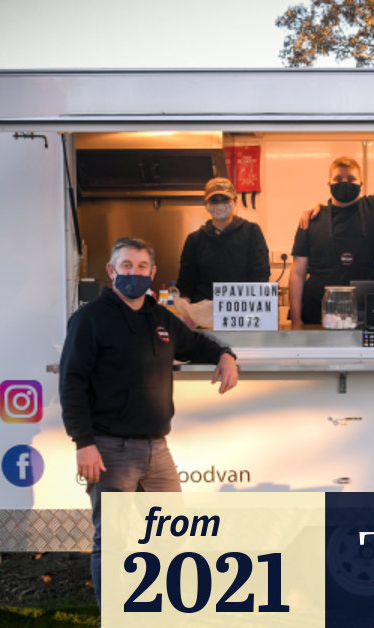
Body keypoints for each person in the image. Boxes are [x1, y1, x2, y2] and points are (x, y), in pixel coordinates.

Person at [59, 236, 239, 604]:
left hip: (157, 450)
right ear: (111, 271)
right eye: (126, 266)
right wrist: (84, 444)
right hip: (109, 449)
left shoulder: (160, 319)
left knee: (172, 536)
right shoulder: (89, 319)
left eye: (142, 267)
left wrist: (226, 354)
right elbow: (71, 384)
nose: (134, 274)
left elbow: (196, 344)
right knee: (111, 541)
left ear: (153, 273)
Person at [289, 156, 374, 327]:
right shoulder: (312, 219)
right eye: (338, 179)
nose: (345, 183)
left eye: (351, 179)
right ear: (329, 184)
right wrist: (296, 319)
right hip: (316, 311)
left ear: (361, 183)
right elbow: (297, 272)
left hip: (362, 311)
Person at [177, 177, 271, 303]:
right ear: (206, 204)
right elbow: (186, 283)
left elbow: (261, 274)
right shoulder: (194, 240)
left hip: (242, 310)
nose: (220, 205)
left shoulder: (251, 232)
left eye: (225, 199)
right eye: (214, 200)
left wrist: (258, 308)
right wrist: (185, 312)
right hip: (203, 313)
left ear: (235, 201)